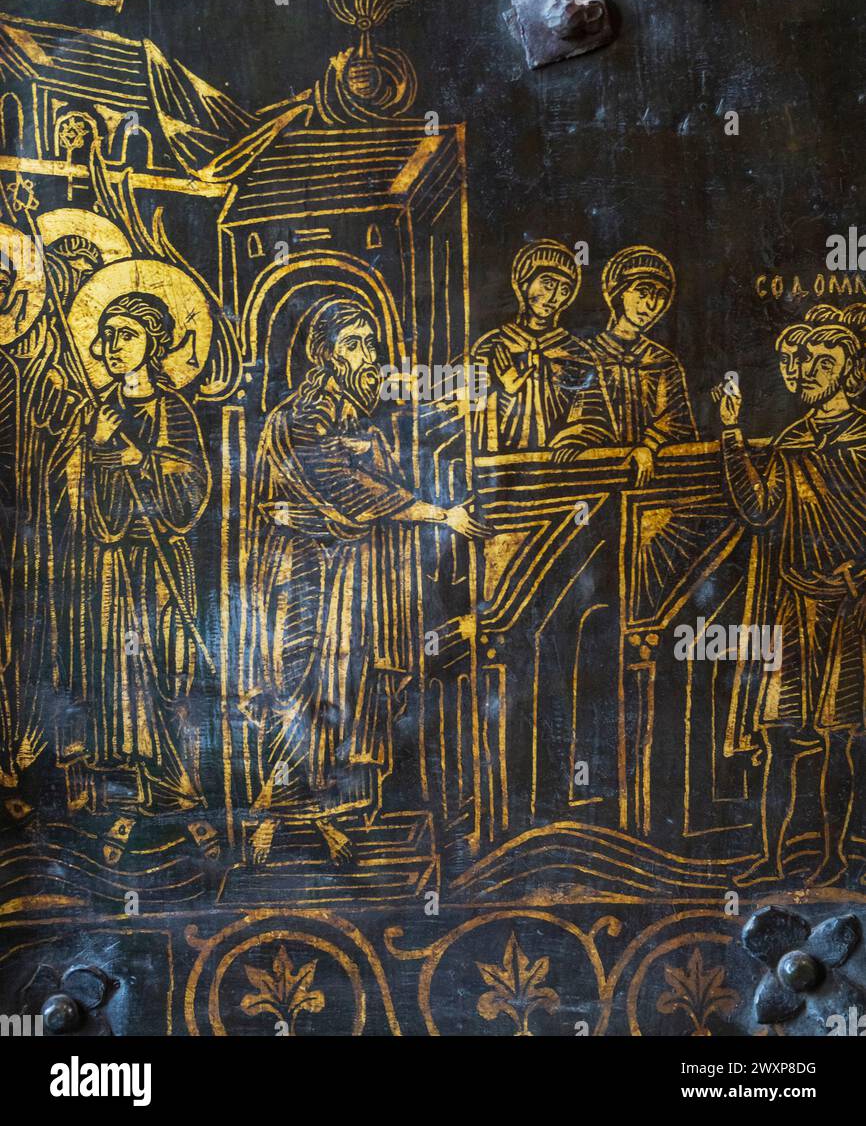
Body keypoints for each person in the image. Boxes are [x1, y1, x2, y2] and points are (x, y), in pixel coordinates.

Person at [245, 297, 490, 866]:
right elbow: (343, 486)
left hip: (349, 576)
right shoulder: (308, 413)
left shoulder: (351, 413)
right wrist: (438, 514)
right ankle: (273, 810)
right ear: (323, 354)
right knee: (309, 688)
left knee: (349, 690)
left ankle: (323, 816)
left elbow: (365, 478)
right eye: (352, 345)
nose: (366, 356)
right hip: (308, 575)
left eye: (370, 344)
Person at [56, 290, 213, 864]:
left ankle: (183, 792)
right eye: (106, 336)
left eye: (125, 334)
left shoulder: (175, 409)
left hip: (167, 563)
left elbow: (193, 486)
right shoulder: (97, 412)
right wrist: (100, 450)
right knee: (127, 679)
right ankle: (144, 795)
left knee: (173, 670)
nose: (111, 347)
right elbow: (92, 510)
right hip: (119, 567)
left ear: (153, 340)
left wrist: (142, 461)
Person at [714, 310, 866, 887]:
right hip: (794, 605)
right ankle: (773, 859)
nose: (811, 371)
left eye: (826, 363)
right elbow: (758, 510)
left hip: (851, 609)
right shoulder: (793, 439)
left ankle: (834, 859)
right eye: (808, 361)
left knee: (839, 741)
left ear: (849, 373)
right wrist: (732, 432)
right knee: (780, 736)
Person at [558, 246, 696, 484]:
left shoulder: (662, 361)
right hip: (601, 478)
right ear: (620, 292)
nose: (651, 304)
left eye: (660, 295)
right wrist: (576, 441)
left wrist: (649, 445)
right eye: (642, 292)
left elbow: (677, 423)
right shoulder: (587, 355)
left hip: (654, 479)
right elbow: (578, 418)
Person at [472, 240, 613, 453]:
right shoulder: (491, 346)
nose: (553, 297)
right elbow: (470, 417)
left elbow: (595, 415)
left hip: (562, 466)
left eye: (564, 289)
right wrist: (504, 391)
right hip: (500, 467)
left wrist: (575, 438)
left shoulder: (577, 352)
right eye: (547, 283)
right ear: (524, 282)